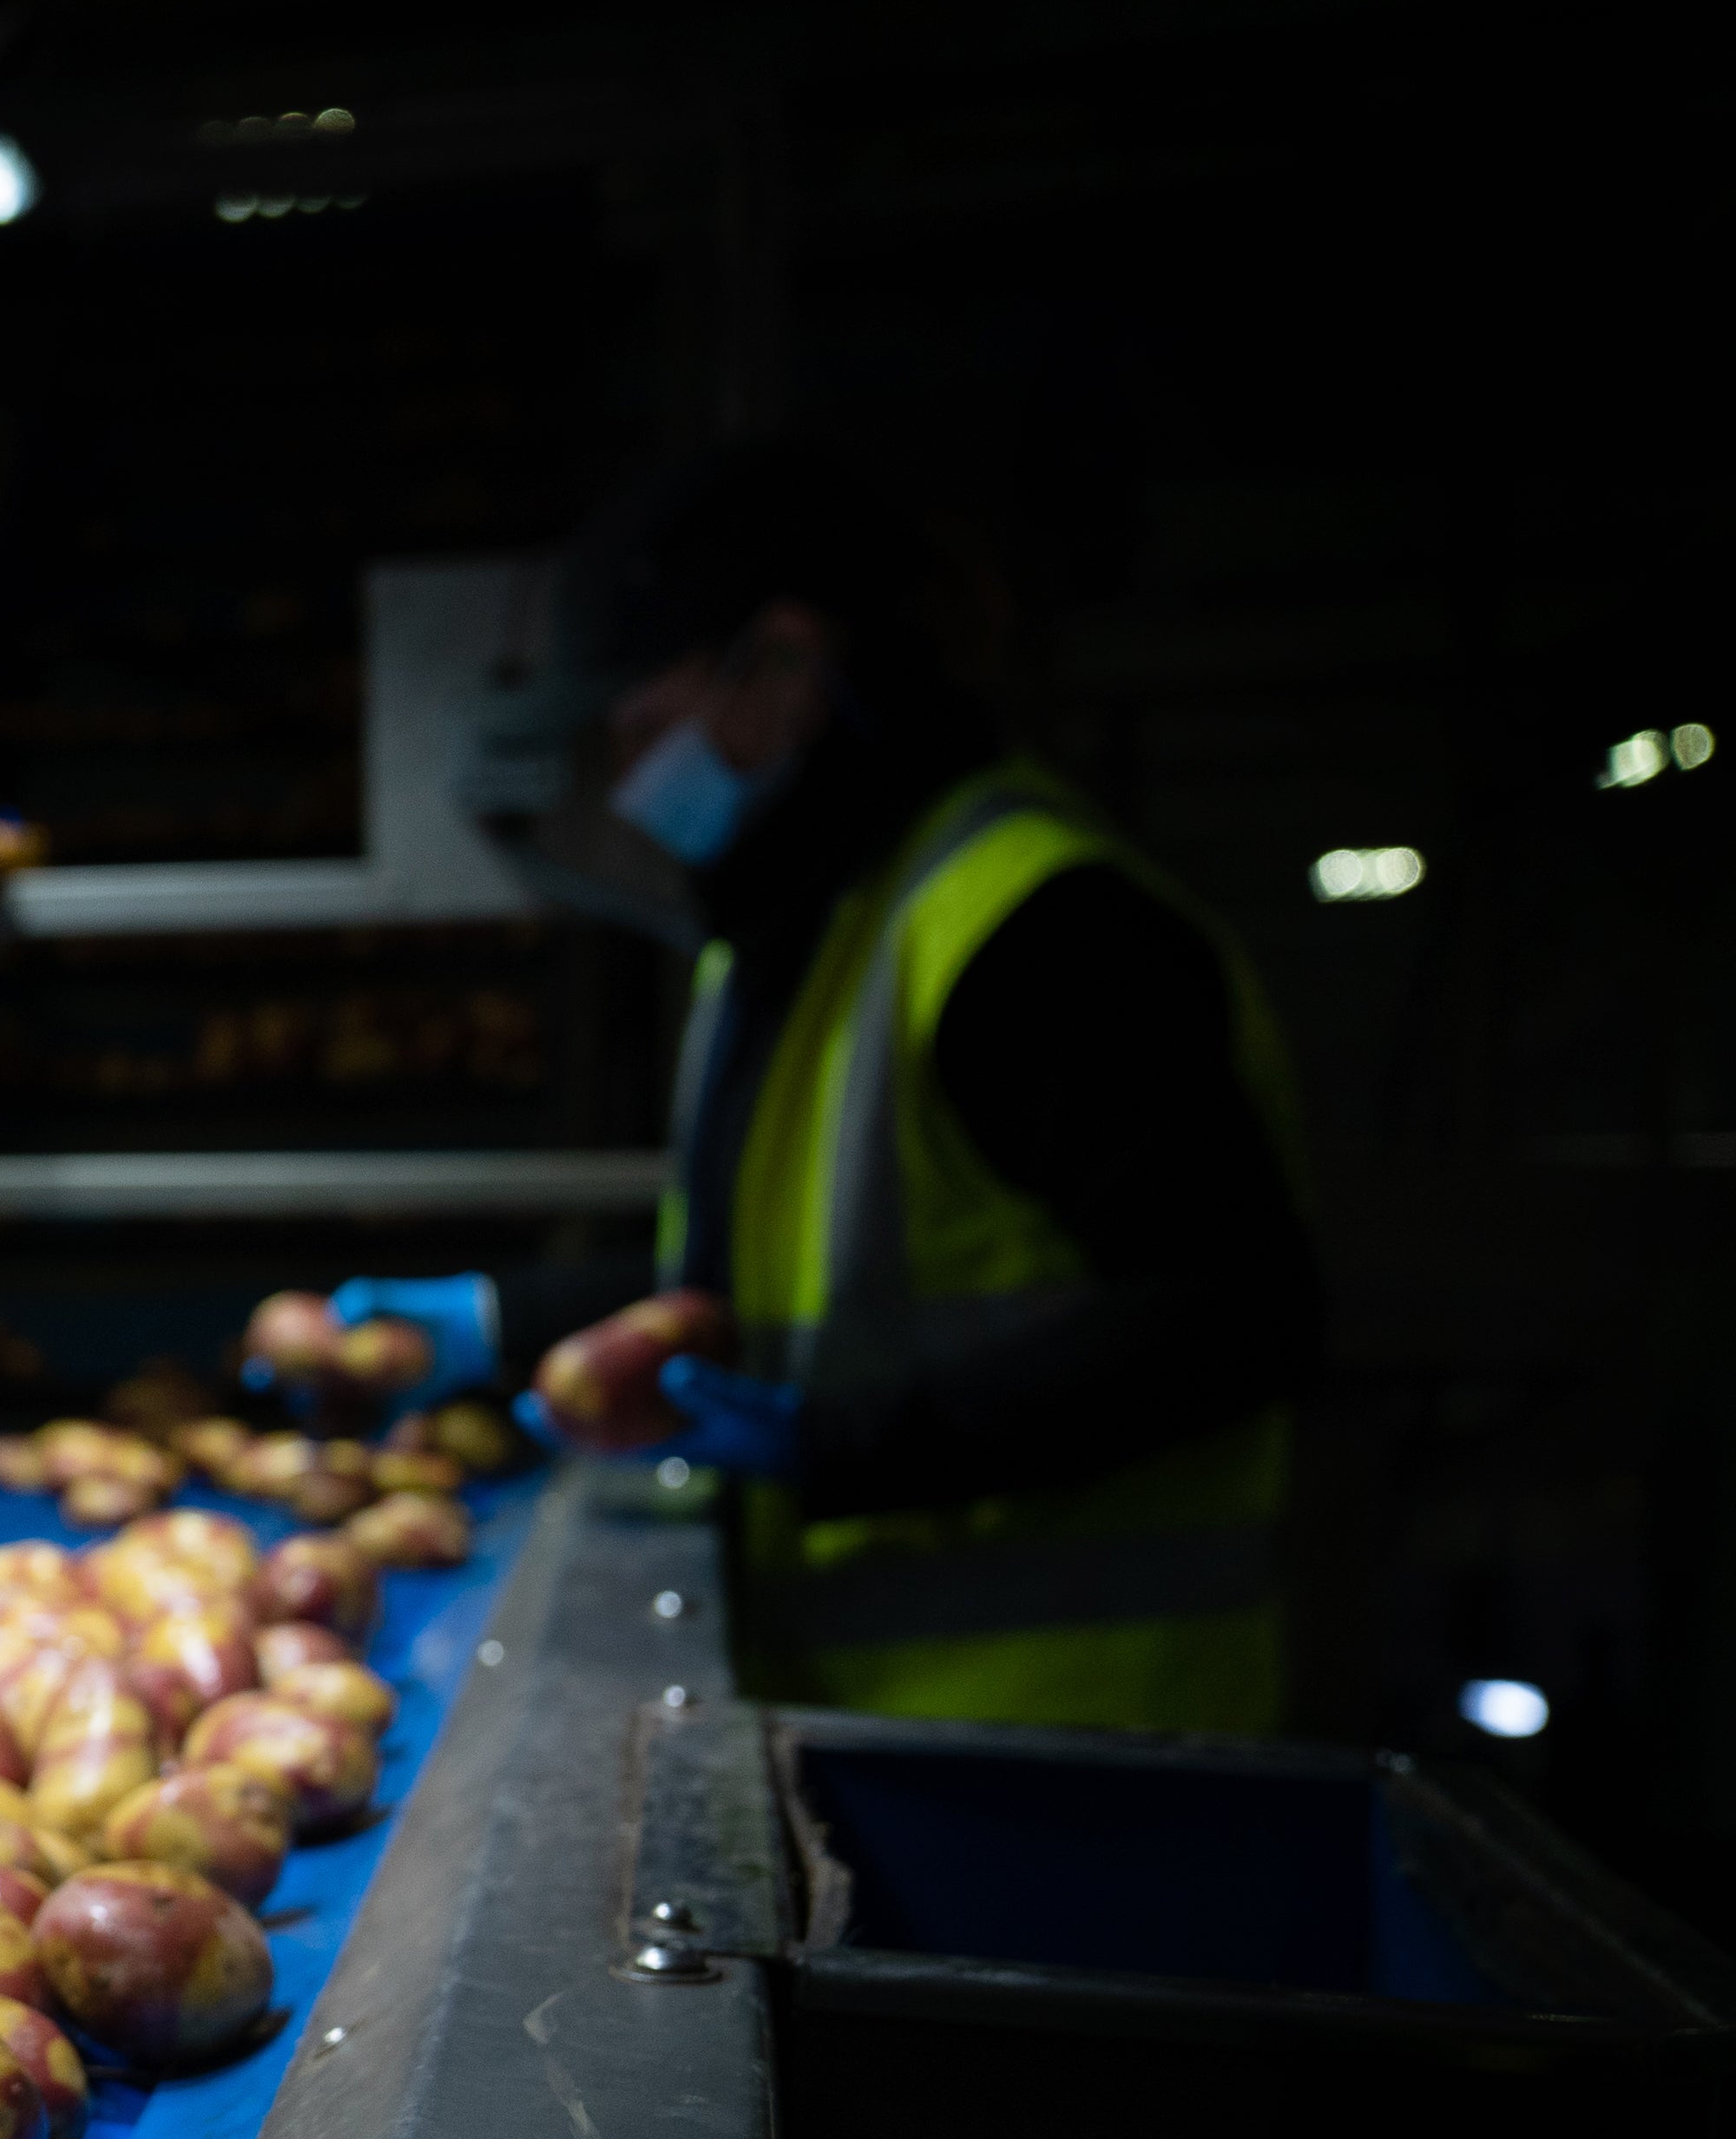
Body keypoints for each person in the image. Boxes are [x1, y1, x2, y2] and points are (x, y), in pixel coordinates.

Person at [267, 443, 1322, 1730]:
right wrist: (493, 1323)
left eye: (646, 722)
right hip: (868, 1717)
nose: (630, 766)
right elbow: (784, 1286)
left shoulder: (1036, 933)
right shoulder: (810, 934)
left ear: (780, 665)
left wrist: (841, 1444)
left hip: (1075, 1740)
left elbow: (1231, 1316)